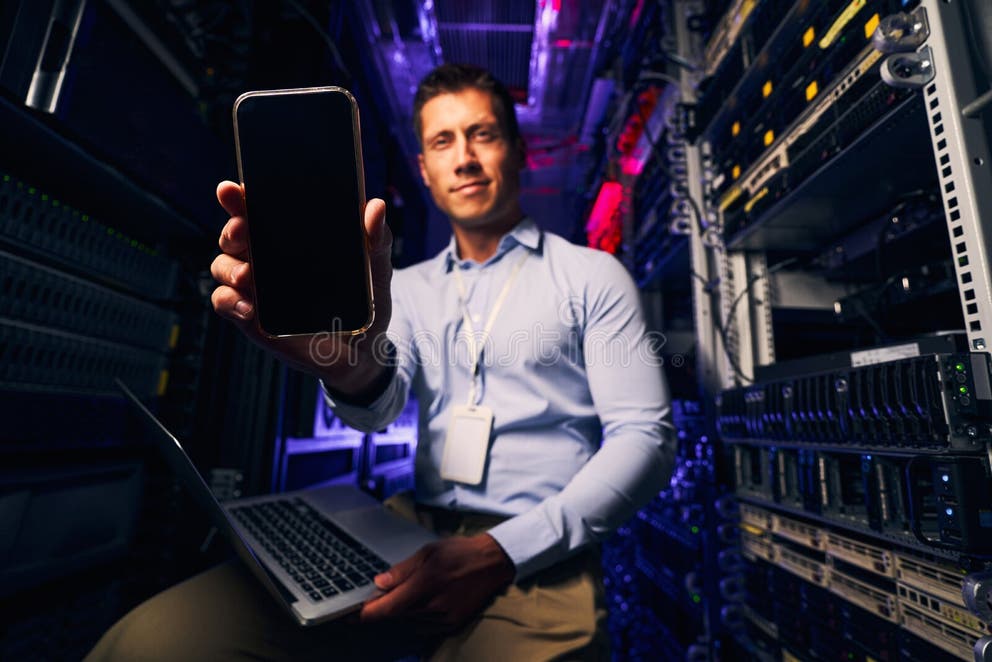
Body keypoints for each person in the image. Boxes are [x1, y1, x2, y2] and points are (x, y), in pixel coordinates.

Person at [87, 63, 675, 661]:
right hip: (407, 534)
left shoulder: (591, 276)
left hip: (538, 554)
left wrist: (502, 550)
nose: (464, 158)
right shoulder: (406, 287)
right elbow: (379, 405)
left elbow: (644, 438)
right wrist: (347, 370)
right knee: (150, 644)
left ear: (519, 151)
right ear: (424, 169)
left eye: (483, 134)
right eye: (443, 141)